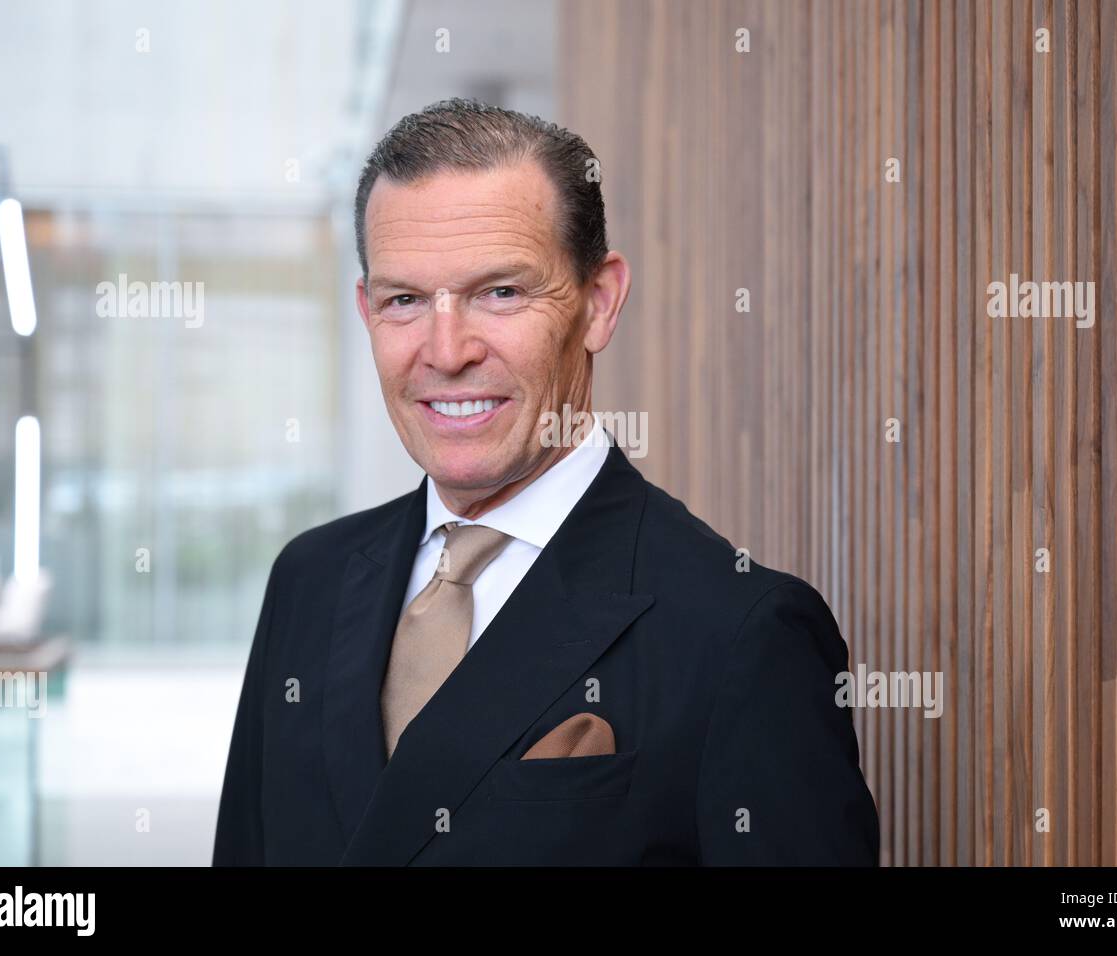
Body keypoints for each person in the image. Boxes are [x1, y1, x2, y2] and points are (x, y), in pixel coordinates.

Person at [213, 98, 879, 866]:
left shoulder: (739, 632)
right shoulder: (309, 580)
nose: (447, 349)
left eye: (500, 292)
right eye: (405, 300)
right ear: (367, 312)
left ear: (598, 304)